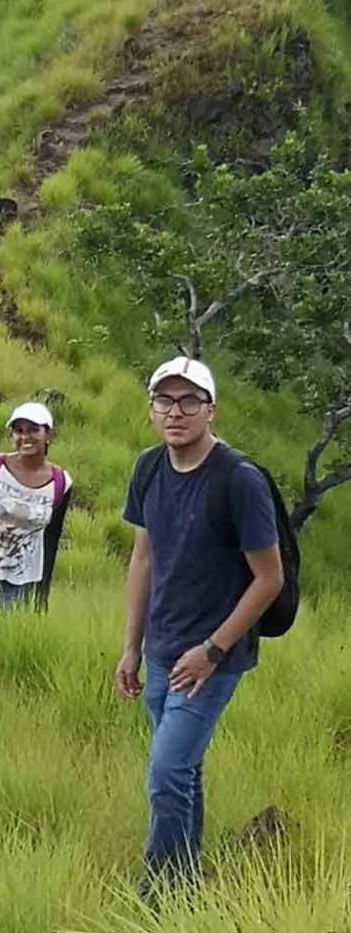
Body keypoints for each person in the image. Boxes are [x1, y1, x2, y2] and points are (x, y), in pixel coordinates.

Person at [115, 357, 284, 891]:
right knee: (183, 771)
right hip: (161, 648)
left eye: (190, 401)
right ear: (150, 410)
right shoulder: (148, 467)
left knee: (166, 775)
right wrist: (130, 647)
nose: (176, 412)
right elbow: (143, 559)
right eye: (164, 401)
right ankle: (186, 884)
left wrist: (212, 651)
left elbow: (269, 578)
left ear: (210, 410)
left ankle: (156, 893)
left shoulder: (239, 480)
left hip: (213, 657)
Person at [0, 401, 72, 610]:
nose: (25, 437)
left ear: (49, 435)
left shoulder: (61, 483)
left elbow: (50, 539)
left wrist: (42, 594)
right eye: (19, 430)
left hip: (22, 581)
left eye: (34, 430)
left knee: (4, 640)